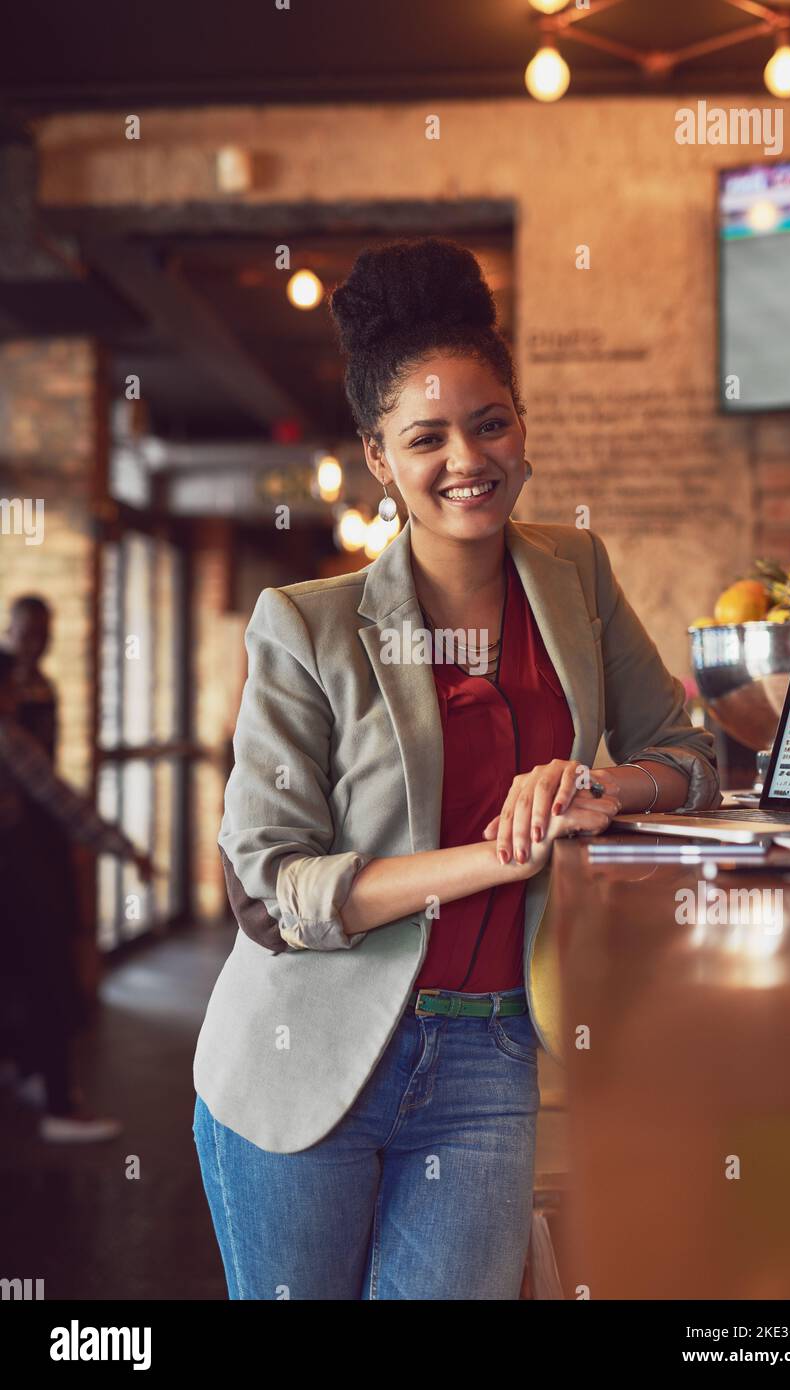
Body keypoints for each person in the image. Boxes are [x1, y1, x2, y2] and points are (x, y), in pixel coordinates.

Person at [192, 236, 722, 1300]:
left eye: (490, 423)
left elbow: (692, 756)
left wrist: (597, 788)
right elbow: (274, 883)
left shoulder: (575, 574)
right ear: (380, 458)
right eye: (426, 437)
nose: (467, 459)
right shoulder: (306, 624)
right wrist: (498, 855)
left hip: (487, 1059)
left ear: (522, 425)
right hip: (308, 1055)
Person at [0, 649, 154, 1142]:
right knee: (48, 983)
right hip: (17, 883)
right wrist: (128, 849)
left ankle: (30, 1076)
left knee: (23, 980)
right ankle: (60, 1107)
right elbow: (63, 802)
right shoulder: (9, 738)